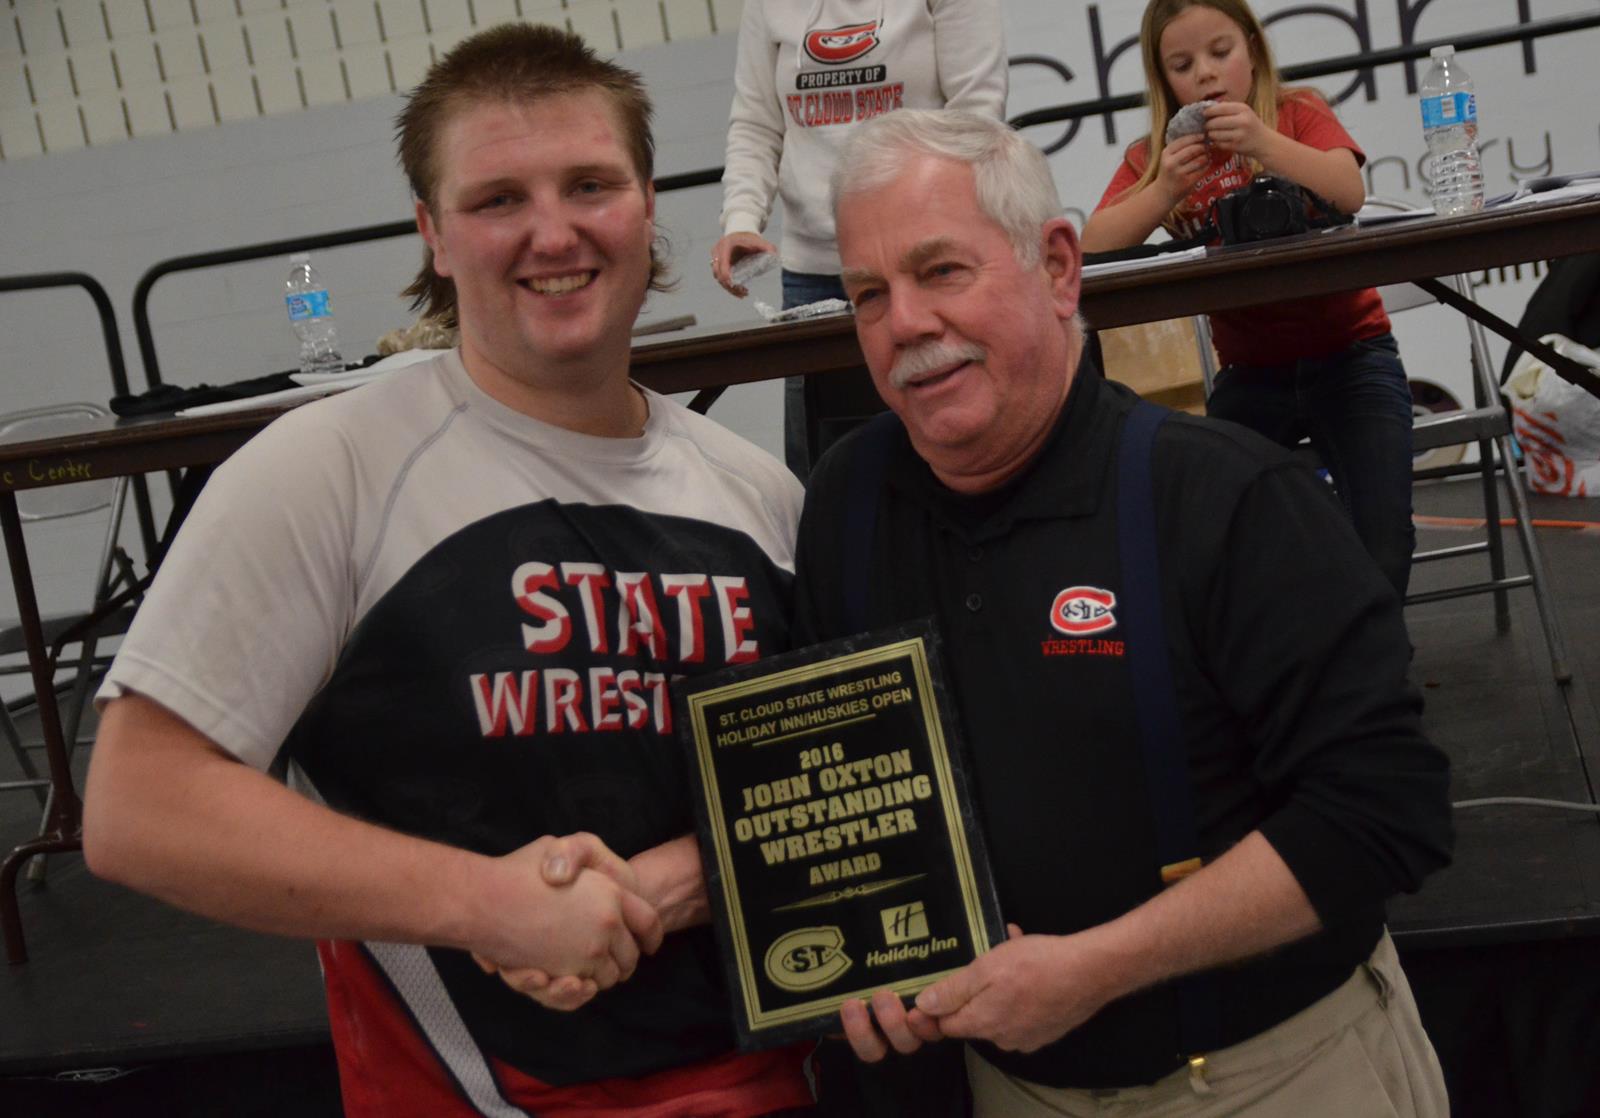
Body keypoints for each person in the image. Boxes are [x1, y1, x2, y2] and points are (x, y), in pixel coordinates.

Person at [82, 24, 816, 1118]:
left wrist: (662, 887)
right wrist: (487, 904)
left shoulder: (759, 494)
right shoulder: (328, 469)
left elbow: (821, 785)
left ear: (647, 202)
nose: (553, 232)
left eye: (589, 184)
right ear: (432, 232)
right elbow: (139, 805)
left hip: (778, 1086)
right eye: (498, 199)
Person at [795, 107, 1454, 1117]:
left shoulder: (1226, 498)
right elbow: (834, 786)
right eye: (868, 294)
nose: (905, 324)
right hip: (1013, 1087)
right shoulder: (847, 503)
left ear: (1059, 267)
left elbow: (1382, 811)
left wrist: (1097, 966)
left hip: (1273, 1078)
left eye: (941, 271)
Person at [1080, 0, 1416, 598]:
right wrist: (1163, 189)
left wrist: (1264, 141)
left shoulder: (1297, 112)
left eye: (1221, 52)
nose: (1206, 74)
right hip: (1251, 374)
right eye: (1182, 65)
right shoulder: (1157, 155)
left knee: (1383, 539)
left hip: (1352, 355)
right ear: (1164, 81)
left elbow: (1348, 191)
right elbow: (1091, 249)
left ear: (1253, 52)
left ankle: (1371, 647)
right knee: (1220, 537)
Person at [710, 0, 1008, 480]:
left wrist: (925, 231)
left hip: (923, 266)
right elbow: (756, 123)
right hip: (814, 275)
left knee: (951, 451)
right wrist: (741, 220)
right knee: (824, 473)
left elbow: (977, 115)